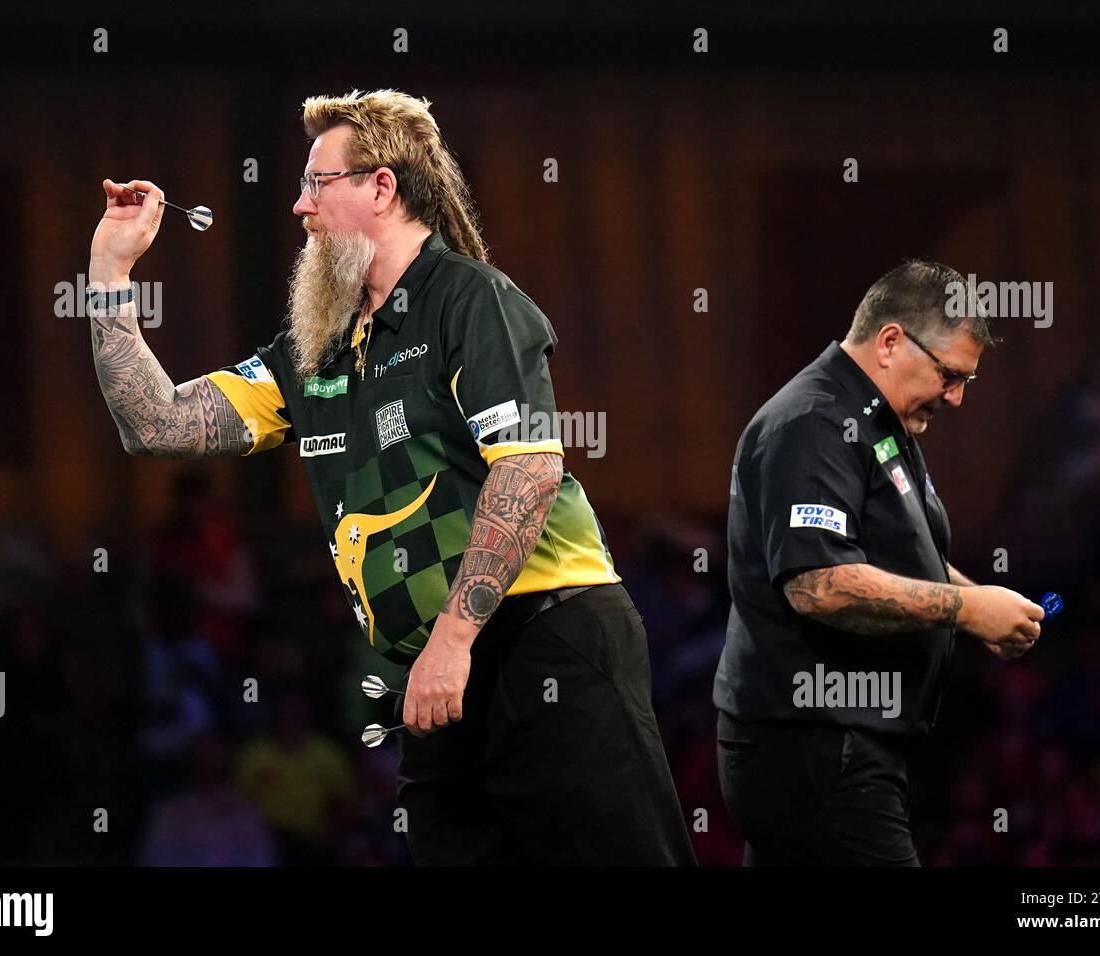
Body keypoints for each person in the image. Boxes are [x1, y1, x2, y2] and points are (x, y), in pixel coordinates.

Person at [86, 88, 694, 866]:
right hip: (433, 674)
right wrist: (109, 268)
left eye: (317, 183)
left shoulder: (471, 300)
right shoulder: (314, 347)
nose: (299, 209)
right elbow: (157, 424)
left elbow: (531, 471)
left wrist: (454, 637)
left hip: (548, 641)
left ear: (382, 187)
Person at [713, 261, 1045, 866]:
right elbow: (820, 585)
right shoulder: (815, 421)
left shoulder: (876, 422)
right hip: (814, 748)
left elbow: (902, 557)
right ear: (890, 341)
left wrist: (984, 605)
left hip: (836, 746)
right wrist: (968, 610)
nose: (957, 396)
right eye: (949, 375)